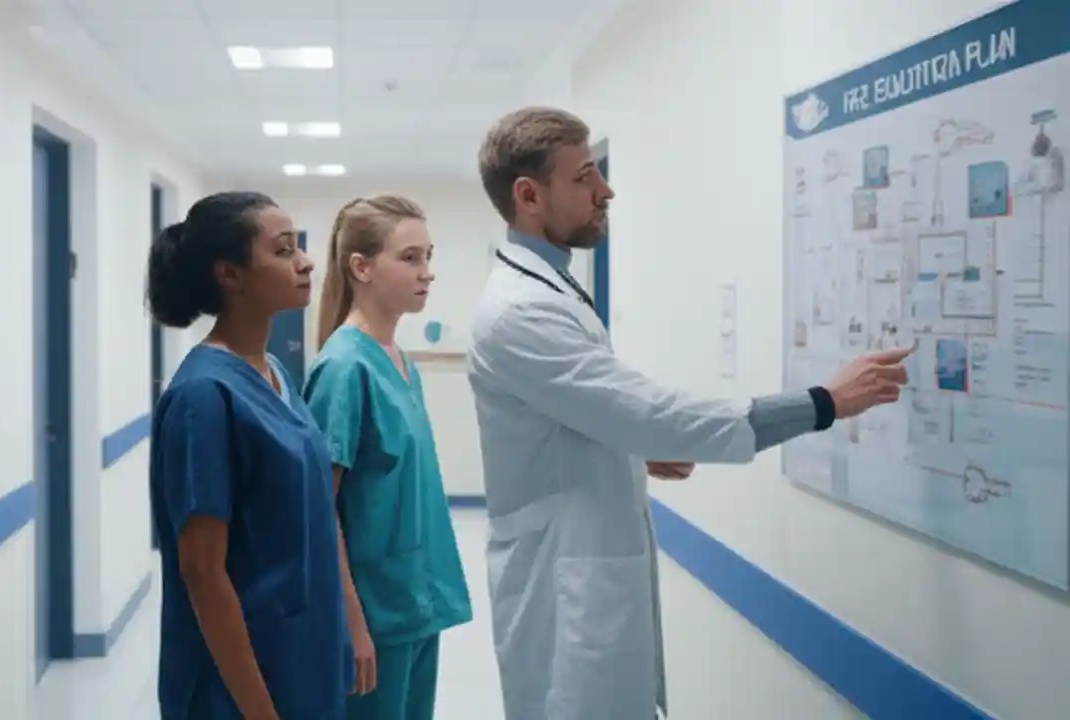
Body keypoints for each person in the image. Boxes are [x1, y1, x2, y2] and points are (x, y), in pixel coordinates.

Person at [466, 107, 913, 720]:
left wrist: (631, 446)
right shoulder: (521, 312)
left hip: (579, 568)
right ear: (529, 195)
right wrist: (823, 403)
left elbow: (583, 412)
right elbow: (653, 412)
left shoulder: (553, 288)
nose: (606, 190)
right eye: (585, 176)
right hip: (560, 589)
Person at [145, 191, 352, 720]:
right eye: (284, 251)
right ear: (230, 275)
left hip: (299, 658)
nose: (305, 262)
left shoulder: (275, 375)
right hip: (239, 688)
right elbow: (202, 573)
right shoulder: (203, 398)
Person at [301, 195, 473, 720]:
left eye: (429, 256)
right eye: (410, 257)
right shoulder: (344, 369)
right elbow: (317, 512)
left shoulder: (400, 363)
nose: (427, 273)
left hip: (416, 607)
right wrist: (352, 624)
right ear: (361, 267)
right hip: (375, 620)